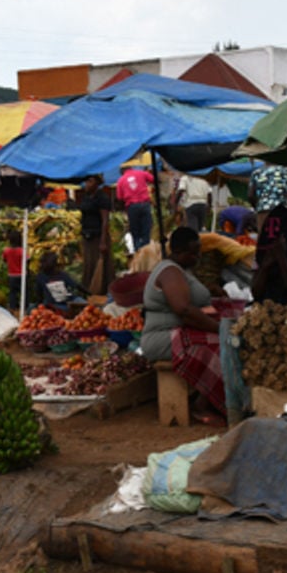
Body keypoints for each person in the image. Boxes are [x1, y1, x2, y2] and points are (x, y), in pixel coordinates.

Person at [139, 226, 226, 424]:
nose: (198, 257)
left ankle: (206, 398)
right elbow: (184, 310)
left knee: (222, 342)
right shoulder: (169, 271)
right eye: (193, 253)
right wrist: (219, 329)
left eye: (198, 251)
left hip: (176, 332)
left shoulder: (180, 270)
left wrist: (210, 291)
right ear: (178, 252)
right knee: (219, 345)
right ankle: (202, 405)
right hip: (162, 338)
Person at [251, 206, 287, 305]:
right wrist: (265, 266)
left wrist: (282, 258)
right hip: (265, 305)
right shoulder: (262, 252)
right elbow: (255, 292)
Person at [78, 174, 113, 295]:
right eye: (86, 181)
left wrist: (103, 241)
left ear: (97, 183)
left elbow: (105, 220)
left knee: (101, 264)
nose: (87, 184)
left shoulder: (102, 198)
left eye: (90, 181)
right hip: (87, 235)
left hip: (98, 236)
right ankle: (89, 290)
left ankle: (102, 291)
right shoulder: (86, 197)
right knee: (89, 264)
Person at [116, 167, 154, 250]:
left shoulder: (121, 180)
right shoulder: (141, 173)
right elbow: (153, 179)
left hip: (132, 207)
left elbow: (119, 198)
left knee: (135, 233)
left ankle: (138, 252)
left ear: (122, 171)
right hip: (144, 204)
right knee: (146, 231)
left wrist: (123, 210)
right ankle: (146, 250)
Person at [3, 229, 25, 310]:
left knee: (12, 293)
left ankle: (12, 308)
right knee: (24, 292)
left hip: (11, 275)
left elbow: (5, 260)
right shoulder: (23, 251)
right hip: (22, 275)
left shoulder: (6, 251)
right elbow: (28, 261)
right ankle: (24, 307)